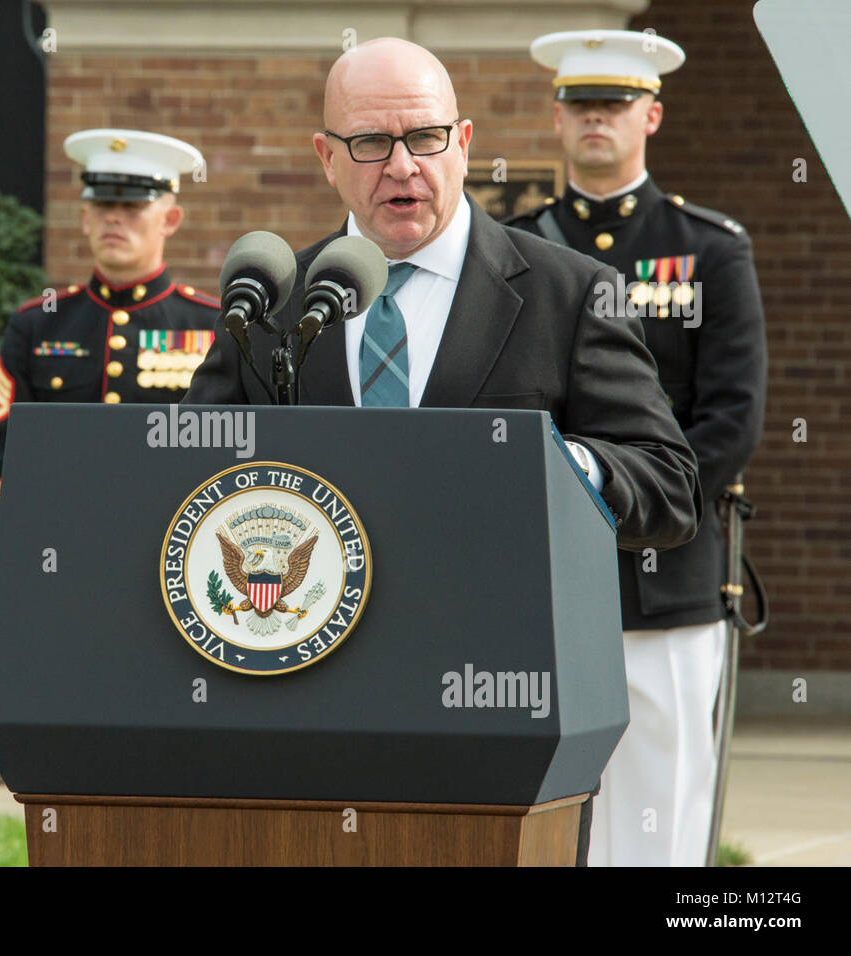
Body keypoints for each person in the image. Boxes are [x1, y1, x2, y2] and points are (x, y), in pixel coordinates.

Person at [184, 38, 702, 864]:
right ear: (326, 157)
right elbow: (191, 473)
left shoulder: (567, 294)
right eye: (369, 143)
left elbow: (671, 485)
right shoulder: (274, 304)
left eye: (423, 138)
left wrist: (572, 471)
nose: (400, 166)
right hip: (302, 694)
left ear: (462, 143)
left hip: (500, 699)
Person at [504, 30, 767, 867]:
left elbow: (730, 419)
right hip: (533, 574)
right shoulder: (511, 249)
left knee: (660, 804)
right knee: (539, 808)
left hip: (667, 580)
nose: (596, 120)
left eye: (614, 104)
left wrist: (615, 513)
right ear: (555, 118)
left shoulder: (712, 249)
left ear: (651, 115)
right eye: (581, 104)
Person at [0, 128, 221, 512]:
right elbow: (5, 442)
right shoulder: (38, 324)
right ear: (84, 218)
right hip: (60, 530)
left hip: (171, 533)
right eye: (102, 204)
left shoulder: (213, 327)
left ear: (171, 220)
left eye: (133, 207)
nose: (113, 218)